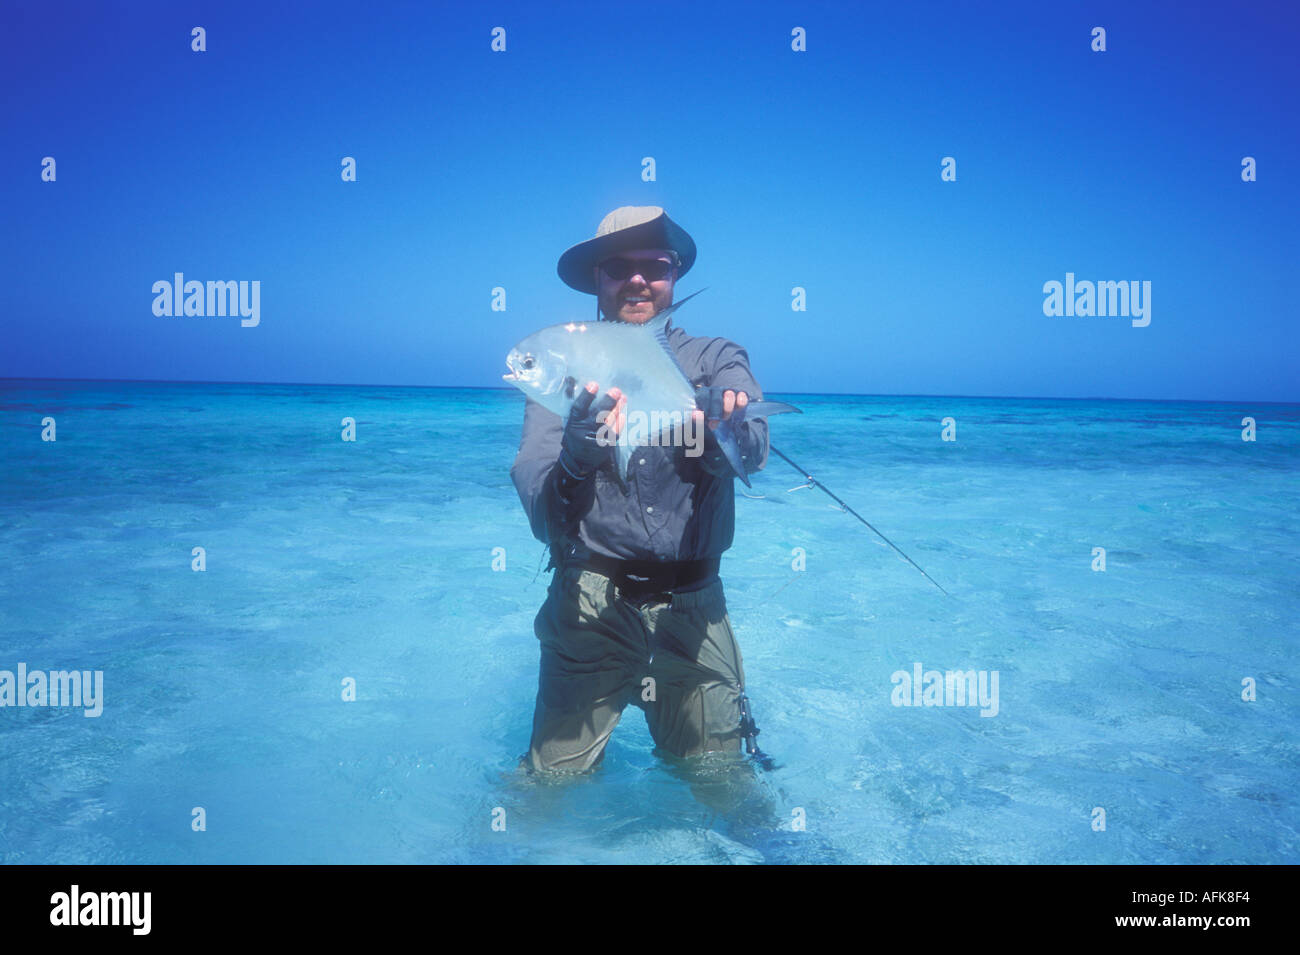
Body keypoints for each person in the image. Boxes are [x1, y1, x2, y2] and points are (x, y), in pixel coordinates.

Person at [510, 206, 770, 774]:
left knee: (721, 784)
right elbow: (543, 516)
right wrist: (581, 452)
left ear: (674, 276)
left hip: (694, 606)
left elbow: (752, 446)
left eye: (655, 266)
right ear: (597, 281)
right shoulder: (563, 375)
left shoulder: (715, 358)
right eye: (618, 268)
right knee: (547, 786)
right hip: (589, 604)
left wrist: (724, 434)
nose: (637, 280)